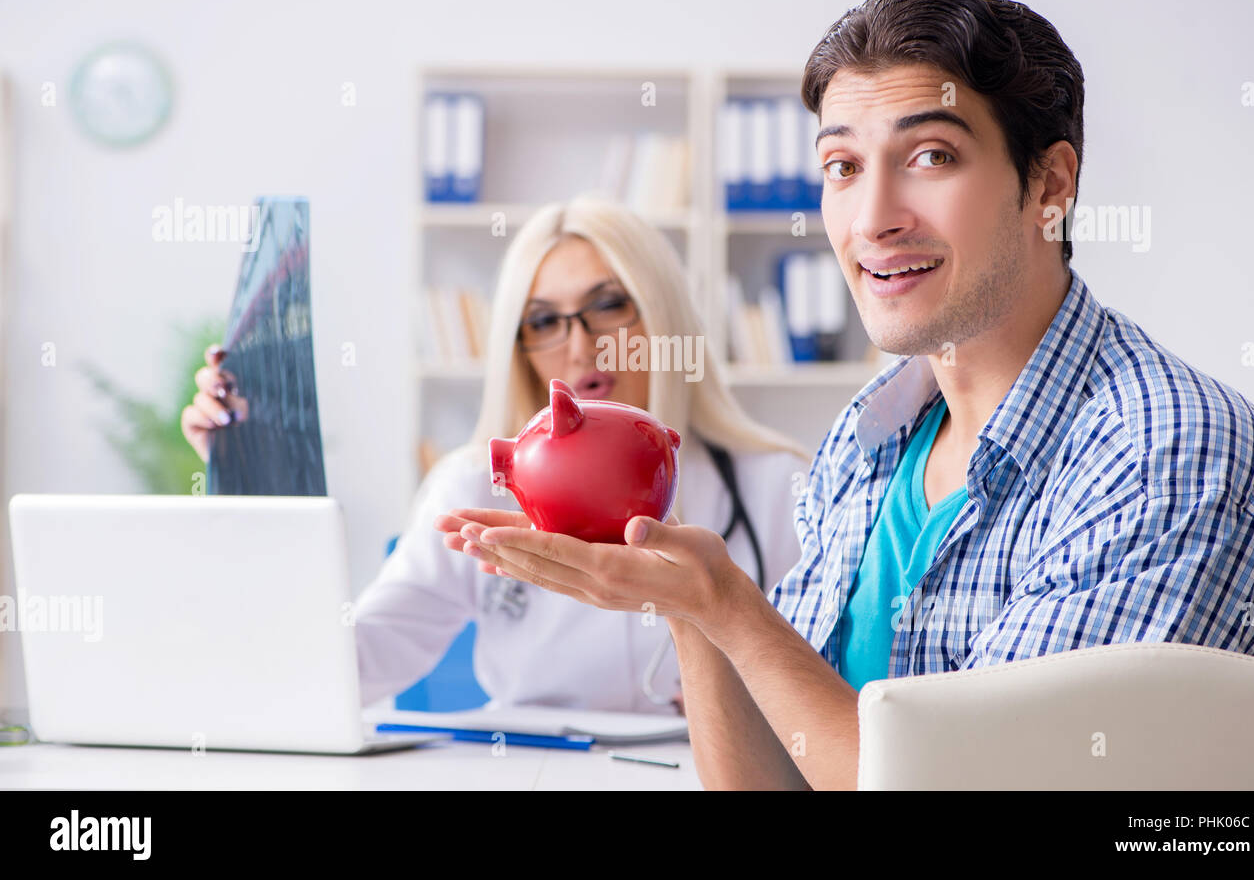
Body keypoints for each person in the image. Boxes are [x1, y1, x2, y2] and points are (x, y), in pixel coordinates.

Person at [435, 0, 1254, 788]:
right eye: (843, 167)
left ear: (1052, 185)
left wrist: (732, 608)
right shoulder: (869, 440)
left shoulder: (1166, 454)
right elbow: (785, 775)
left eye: (929, 156)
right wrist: (693, 608)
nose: (874, 217)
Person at [182, 195, 811, 714]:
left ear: (664, 318)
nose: (580, 346)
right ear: (520, 349)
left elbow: (830, 696)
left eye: (609, 305)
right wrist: (253, 490)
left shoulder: (775, 488)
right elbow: (350, 665)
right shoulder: (472, 488)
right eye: (543, 321)